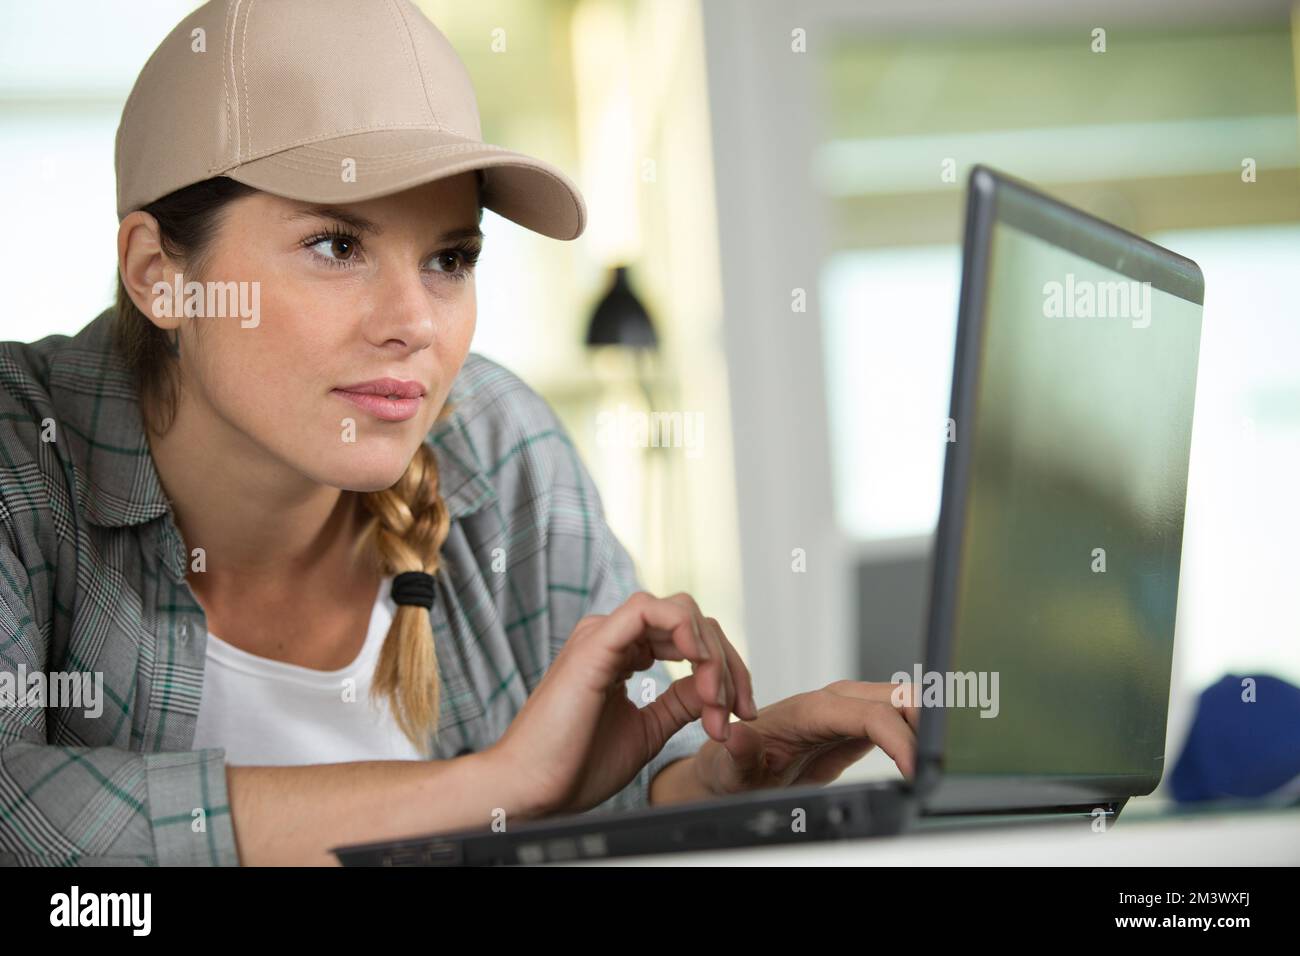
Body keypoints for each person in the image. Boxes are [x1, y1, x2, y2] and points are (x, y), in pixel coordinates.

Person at [0, 0, 918, 866]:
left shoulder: (499, 442)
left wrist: (713, 783)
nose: (416, 323)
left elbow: (599, 799)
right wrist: (491, 788)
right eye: (337, 245)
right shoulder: (21, 448)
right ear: (160, 274)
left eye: (451, 258)